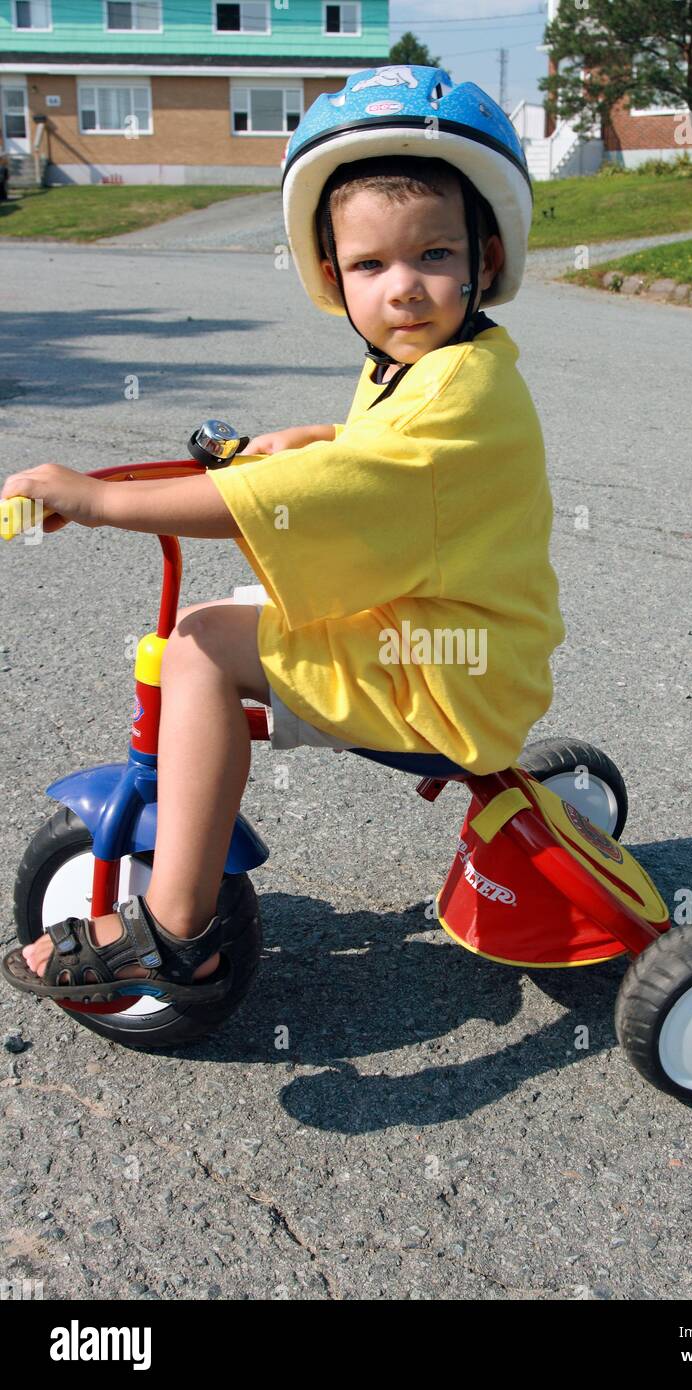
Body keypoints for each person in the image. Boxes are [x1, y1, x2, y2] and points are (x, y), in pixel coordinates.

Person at [1, 64, 565, 1004]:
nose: (406, 290)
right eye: (372, 266)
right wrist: (323, 436)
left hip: (447, 675)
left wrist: (100, 499)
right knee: (235, 621)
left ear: (486, 260)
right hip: (468, 637)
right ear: (334, 277)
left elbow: (338, 491)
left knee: (199, 649)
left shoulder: (453, 390)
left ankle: (176, 931)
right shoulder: (446, 366)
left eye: (433, 256)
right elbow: (394, 464)